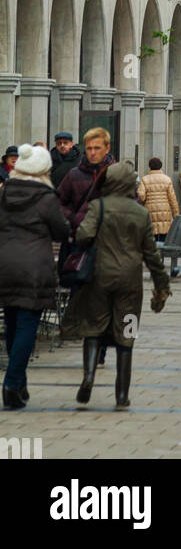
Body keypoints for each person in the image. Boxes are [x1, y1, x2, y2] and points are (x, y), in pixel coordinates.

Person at [61, 160, 171, 409]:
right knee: (127, 333)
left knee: (93, 327)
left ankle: (89, 377)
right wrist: (161, 284)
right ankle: (122, 395)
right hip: (130, 284)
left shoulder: (98, 206)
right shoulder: (141, 213)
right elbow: (152, 253)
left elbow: (83, 235)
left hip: (99, 277)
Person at [0, 143, 69, 408]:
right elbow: (61, 232)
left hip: (5, 265)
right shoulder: (46, 197)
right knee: (28, 324)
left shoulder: (4, 193)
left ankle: (20, 383)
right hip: (34, 267)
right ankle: (12, 381)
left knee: (13, 322)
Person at [57, 127, 114, 233]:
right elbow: (57, 203)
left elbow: (132, 205)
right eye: (89, 148)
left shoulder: (117, 174)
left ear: (107, 148)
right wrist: (74, 218)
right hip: (81, 236)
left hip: (109, 238)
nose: (92, 152)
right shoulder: (74, 175)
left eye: (97, 148)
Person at [138, 157, 179, 241]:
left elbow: (141, 196)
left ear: (150, 166)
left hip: (150, 211)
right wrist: (176, 215)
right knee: (164, 236)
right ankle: (162, 253)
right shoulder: (167, 179)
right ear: (161, 166)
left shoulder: (145, 179)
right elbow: (173, 199)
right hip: (165, 212)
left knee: (152, 238)